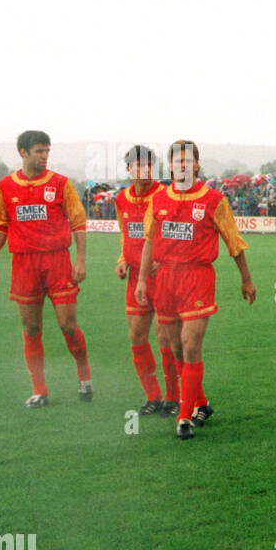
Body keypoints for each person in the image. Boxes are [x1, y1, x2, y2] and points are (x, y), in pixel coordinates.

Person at [135, 140, 256, 440]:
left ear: (197, 165)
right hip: (166, 279)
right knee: (175, 347)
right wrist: (140, 280)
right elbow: (149, 240)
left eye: (189, 160)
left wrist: (246, 279)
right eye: (177, 161)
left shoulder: (214, 200)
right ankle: (201, 403)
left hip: (198, 278)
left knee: (190, 345)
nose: (183, 165)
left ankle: (185, 417)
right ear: (171, 166)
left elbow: (234, 242)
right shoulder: (159, 200)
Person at [0, 130, 93, 407]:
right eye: (39, 151)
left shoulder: (61, 184)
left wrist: (80, 259)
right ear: (23, 153)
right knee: (31, 329)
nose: (44, 156)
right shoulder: (5, 186)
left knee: (68, 325)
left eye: (47, 151)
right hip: (24, 264)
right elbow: (2, 226)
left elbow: (78, 221)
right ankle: (40, 390)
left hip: (57, 261)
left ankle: (84, 376)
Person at [115, 145, 178, 416]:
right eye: (139, 166)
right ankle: (152, 396)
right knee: (137, 335)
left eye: (150, 166)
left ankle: (173, 397)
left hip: (163, 276)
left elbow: (174, 234)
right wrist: (121, 258)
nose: (145, 171)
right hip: (134, 278)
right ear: (129, 169)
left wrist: (162, 258)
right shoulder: (121, 199)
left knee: (166, 338)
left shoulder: (166, 196)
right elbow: (125, 233)